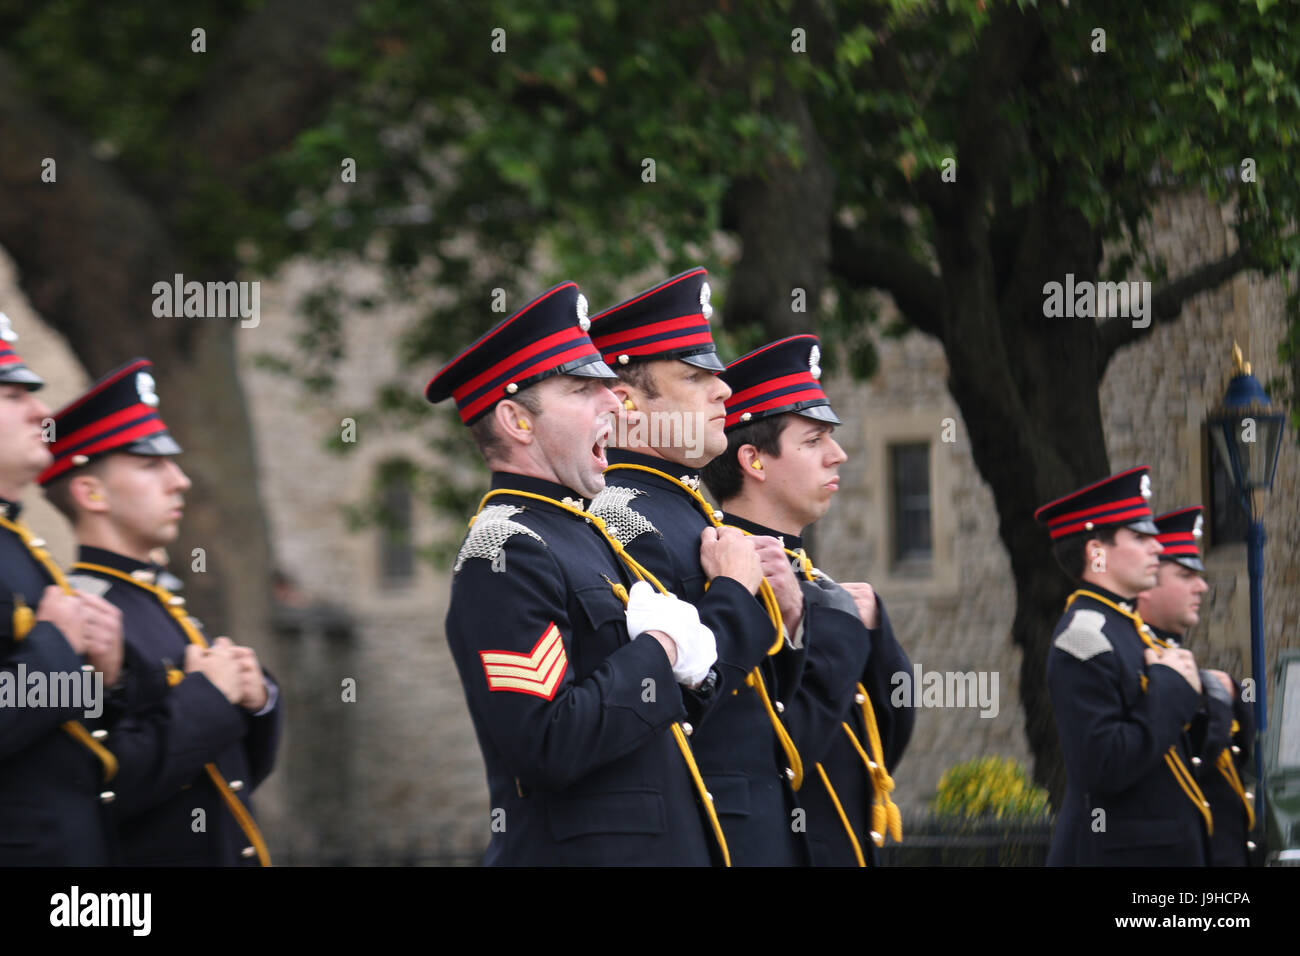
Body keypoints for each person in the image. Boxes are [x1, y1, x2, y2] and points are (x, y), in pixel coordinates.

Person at [426, 281, 731, 865]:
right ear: (516, 420)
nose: (614, 404)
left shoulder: (585, 532)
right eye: (581, 390)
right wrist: (663, 648)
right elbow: (546, 743)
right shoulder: (504, 549)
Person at [587, 268, 809, 866]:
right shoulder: (620, 519)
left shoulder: (688, 509)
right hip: (706, 832)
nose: (723, 392)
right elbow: (676, 695)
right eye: (693, 377)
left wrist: (787, 621)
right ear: (628, 403)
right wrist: (737, 592)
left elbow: (763, 708)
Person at [39, 358, 280, 866]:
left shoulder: (158, 601)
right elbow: (99, 787)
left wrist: (258, 702)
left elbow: (226, 774)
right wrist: (210, 697)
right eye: (151, 465)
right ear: (90, 492)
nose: (180, 480)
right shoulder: (85, 614)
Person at [701, 334, 914, 866]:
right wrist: (843, 628)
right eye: (813, 440)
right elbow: (786, 753)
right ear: (753, 459)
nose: (837, 454)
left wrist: (874, 630)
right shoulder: (729, 577)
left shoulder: (810, 577)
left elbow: (884, 744)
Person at [0, 317, 175, 864]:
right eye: (12, 395)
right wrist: (56, 649)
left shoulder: (21, 547)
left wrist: (105, 680)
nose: (40, 414)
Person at [1035, 467, 1211, 865]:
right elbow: (1104, 765)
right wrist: (1169, 687)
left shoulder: (1129, 631)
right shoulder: (1082, 637)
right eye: (1139, 537)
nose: (1156, 548)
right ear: (1096, 553)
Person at [1137, 506, 1259, 866]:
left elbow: (1241, 752)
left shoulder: (1171, 655)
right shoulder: (1139, 663)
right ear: (1146, 585)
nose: (1202, 586)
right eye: (1185, 575)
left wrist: (1223, 692)